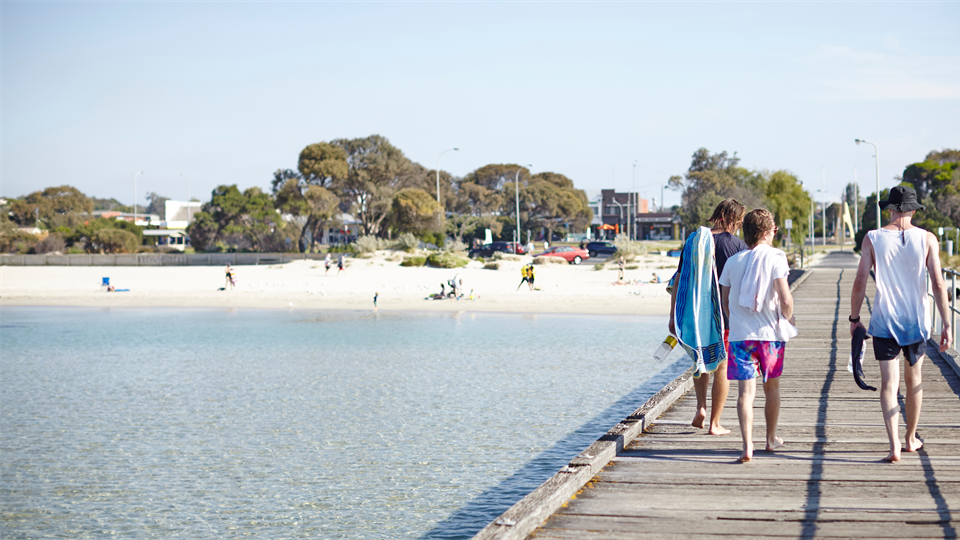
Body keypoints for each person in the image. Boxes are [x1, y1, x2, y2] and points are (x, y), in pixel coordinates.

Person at [850, 186, 951, 462]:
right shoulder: (928, 239)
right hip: (917, 322)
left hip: (884, 322)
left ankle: (893, 446)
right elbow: (939, 284)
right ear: (914, 209)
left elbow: (860, 281)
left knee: (888, 385)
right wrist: (947, 324)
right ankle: (910, 438)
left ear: (890, 209)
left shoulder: (872, 238)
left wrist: (855, 318)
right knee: (914, 380)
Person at [719, 209, 797, 462]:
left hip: (741, 337)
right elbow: (784, 298)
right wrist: (789, 317)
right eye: (774, 231)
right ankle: (771, 439)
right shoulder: (776, 257)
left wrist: (738, 321)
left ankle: (747, 446)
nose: (775, 235)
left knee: (745, 394)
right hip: (769, 336)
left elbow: (725, 302)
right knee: (771, 388)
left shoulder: (733, 262)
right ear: (766, 233)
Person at [669, 198, 748, 435]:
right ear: (731, 219)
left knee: (700, 362)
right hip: (723, 315)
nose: (739, 225)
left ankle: (700, 409)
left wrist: (674, 316)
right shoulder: (737, 246)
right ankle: (715, 423)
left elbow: (679, 280)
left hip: (694, 314)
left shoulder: (693, 241)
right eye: (739, 221)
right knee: (721, 366)